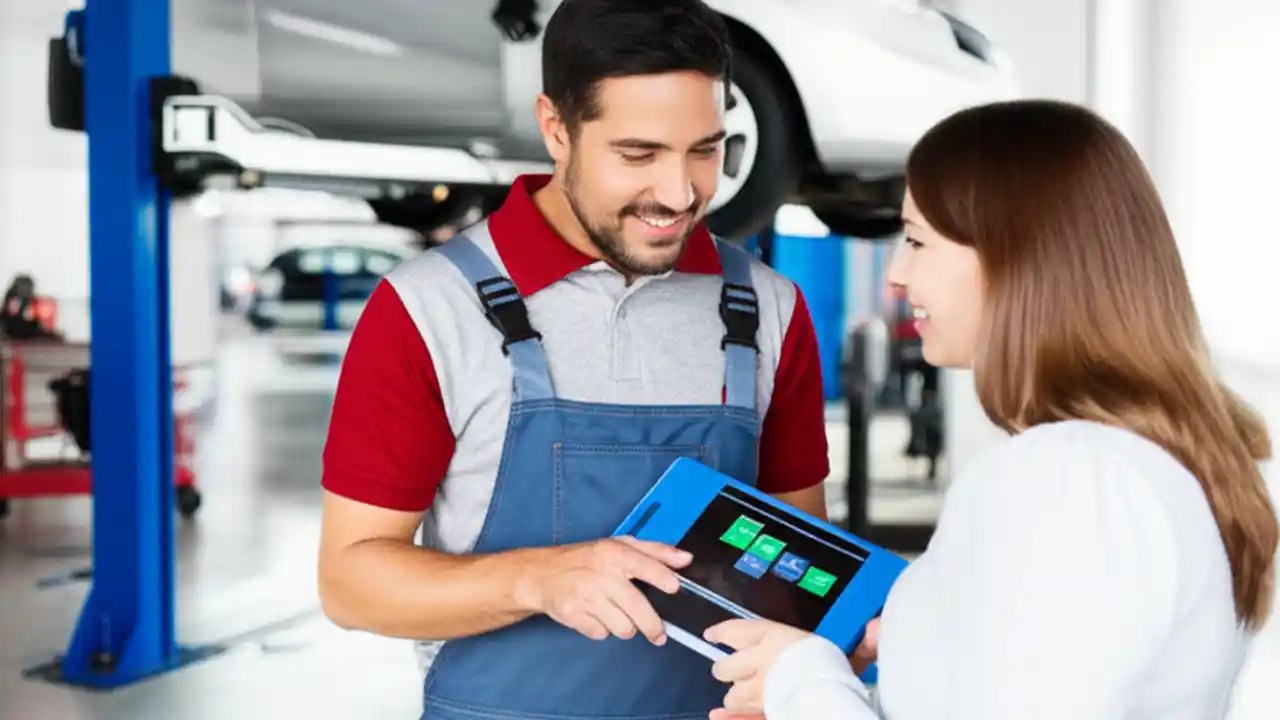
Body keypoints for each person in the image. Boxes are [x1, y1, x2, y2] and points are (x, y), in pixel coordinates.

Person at [316, 1, 831, 719]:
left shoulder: (771, 310)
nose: (680, 194)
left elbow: (803, 576)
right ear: (556, 129)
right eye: (639, 154)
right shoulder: (427, 309)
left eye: (705, 150)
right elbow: (350, 581)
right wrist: (538, 579)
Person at [703, 99, 1278, 719]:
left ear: (1018, 259)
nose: (896, 275)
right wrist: (922, 644)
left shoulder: (1069, 475)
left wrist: (800, 679)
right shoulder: (1142, 465)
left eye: (918, 241)